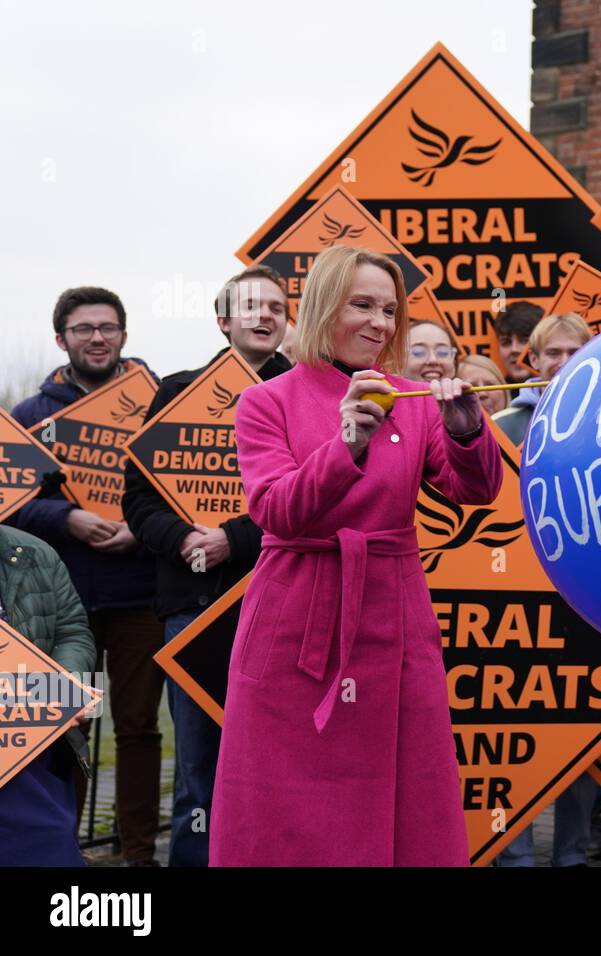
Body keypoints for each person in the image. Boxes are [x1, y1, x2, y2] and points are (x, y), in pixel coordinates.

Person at [209, 246, 502, 866]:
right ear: (322, 306)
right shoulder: (267, 400)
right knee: (284, 801)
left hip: (393, 617)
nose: (381, 323)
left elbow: (474, 492)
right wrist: (346, 445)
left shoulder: (414, 398)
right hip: (294, 618)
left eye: (390, 309)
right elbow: (277, 512)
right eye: (362, 305)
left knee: (408, 793)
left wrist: (468, 429)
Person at [121, 265, 293, 866]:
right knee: (198, 766)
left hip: (283, 603)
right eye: (251, 307)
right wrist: (188, 541)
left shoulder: (307, 391)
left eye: (276, 306)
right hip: (191, 607)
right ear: (224, 321)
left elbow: (316, 495)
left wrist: (232, 539)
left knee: (285, 761)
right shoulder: (175, 391)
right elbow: (138, 500)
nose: (265, 316)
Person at [6, 286, 165, 866]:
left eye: (106, 327)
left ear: (124, 334)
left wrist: (140, 528)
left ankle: (140, 855)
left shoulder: (160, 403)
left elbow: (186, 488)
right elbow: (13, 504)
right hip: (53, 604)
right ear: (61, 339)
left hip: (141, 595)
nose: (96, 337)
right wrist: (68, 517)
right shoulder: (30, 415)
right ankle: (58, 851)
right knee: (55, 730)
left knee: (139, 729)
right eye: (82, 329)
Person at [487, 311, 601, 866]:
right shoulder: (504, 426)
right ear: (531, 362)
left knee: (583, 737)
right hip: (518, 603)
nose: (562, 364)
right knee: (517, 736)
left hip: (592, 602)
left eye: (573, 352)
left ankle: (574, 854)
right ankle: (513, 856)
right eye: (551, 354)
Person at [0, 526, 96, 866]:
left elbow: (71, 631)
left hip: (30, 747)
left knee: (50, 845)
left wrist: (66, 684)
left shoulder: (34, 552)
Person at [492, 312, 589, 447]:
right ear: (533, 359)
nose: (565, 362)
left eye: (575, 353)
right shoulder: (501, 426)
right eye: (553, 353)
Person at [493, 300, 543, 384]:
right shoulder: (492, 395)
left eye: (524, 341)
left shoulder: (562, 391)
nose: (514, 349)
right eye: (506, 342)